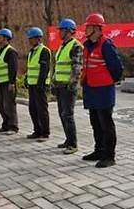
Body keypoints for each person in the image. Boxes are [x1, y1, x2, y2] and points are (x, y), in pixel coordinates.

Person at [81, 13, 123, 168]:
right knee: (95, 123)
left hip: (104, 91)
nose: (86, 29)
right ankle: (98, 150)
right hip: (91, 90)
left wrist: (109, 81)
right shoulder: (87, 45)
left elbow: (117, 68)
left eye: (89, 26)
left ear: (97, 29)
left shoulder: (106, 44)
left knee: (106, 124)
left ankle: (109, 156)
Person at [51, 18, 83, 154]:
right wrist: (53, 81)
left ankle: (73, 144)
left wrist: (73, 83)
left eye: (62, 30)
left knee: (68, 115)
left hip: (68, 87)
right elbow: (58, 66)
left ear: (69, 31)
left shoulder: (76, 46)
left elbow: (77, 67)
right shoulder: (62, 46)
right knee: (62, 114)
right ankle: (68, 140)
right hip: (59, 85)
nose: (60, 33)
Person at [24, 27, 51, 142]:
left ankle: (45, 133)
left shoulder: (44, 51)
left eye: (31, 38)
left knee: (42, 109)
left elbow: (44, 69)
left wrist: (41, 83)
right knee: (33, 109)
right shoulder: (32, 52)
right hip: (32, 85)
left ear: (38, 39)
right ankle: (37, 131)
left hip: (40, 86)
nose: (29, 40)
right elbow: (30, 68)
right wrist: (26, 79)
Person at [0, 28, 19, 135]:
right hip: (0, 82)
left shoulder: (11, 51)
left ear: (5, 38)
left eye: (0, 37)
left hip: (8, 83)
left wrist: (11, 82)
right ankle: (5, 125)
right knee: (1, 105)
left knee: (9, 105)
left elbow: (13, 68)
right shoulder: (0, 51)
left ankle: (13, 127)